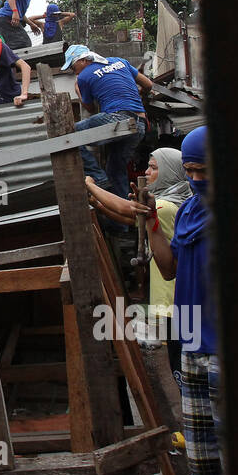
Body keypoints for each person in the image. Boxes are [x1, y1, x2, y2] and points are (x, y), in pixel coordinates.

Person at [146, 127, 221, 475]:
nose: (195, 180)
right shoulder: (191, 209)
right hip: (191, 334)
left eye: (203, 172)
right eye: (189, 171)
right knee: (198, 422)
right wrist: (151, 226)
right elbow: (169, 268)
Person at [84, 148, 190, 378]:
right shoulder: (174, 200)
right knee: (179, 359)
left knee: (181, 364)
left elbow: (127, 209)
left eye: (154, 167)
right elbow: (129, 218)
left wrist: (90, 184)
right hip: (174, 295)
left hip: (175, 297)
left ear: (170, 172)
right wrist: (100, 205)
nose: (147, 172)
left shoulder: (164, 206)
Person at [62, 44, 153, 199]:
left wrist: (78, 90)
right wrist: (136, 94)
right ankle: (124, 220)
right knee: (116, 171)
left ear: (83, 60)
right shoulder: (119, 61)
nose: (73, 71)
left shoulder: (83, 77)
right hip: (140, 124)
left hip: (118, 119)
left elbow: (90, 108)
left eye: (73, 66)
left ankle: (98, 177)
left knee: (69, 134)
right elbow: (148, 85)